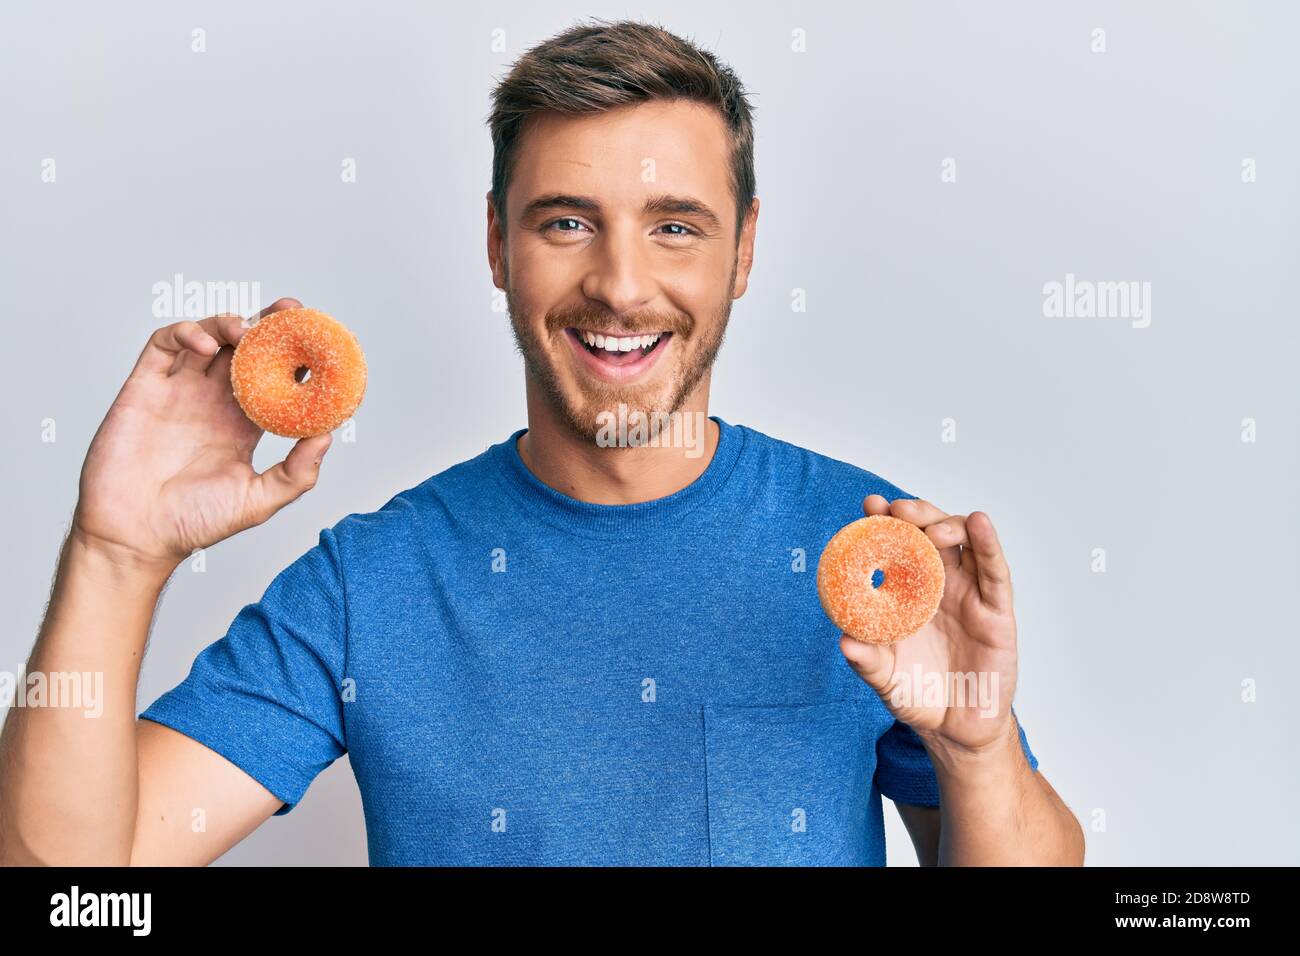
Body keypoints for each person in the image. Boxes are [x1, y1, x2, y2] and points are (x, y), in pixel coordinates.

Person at [0, 19, 1084, 866]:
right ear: (495, 243)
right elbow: (76, 883)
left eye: (675, 224)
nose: (619, 283)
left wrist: (976, 746)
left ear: (743, 249)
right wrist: (118, 554)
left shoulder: (871, 553)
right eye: (567, 221)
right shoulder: (370, 582)